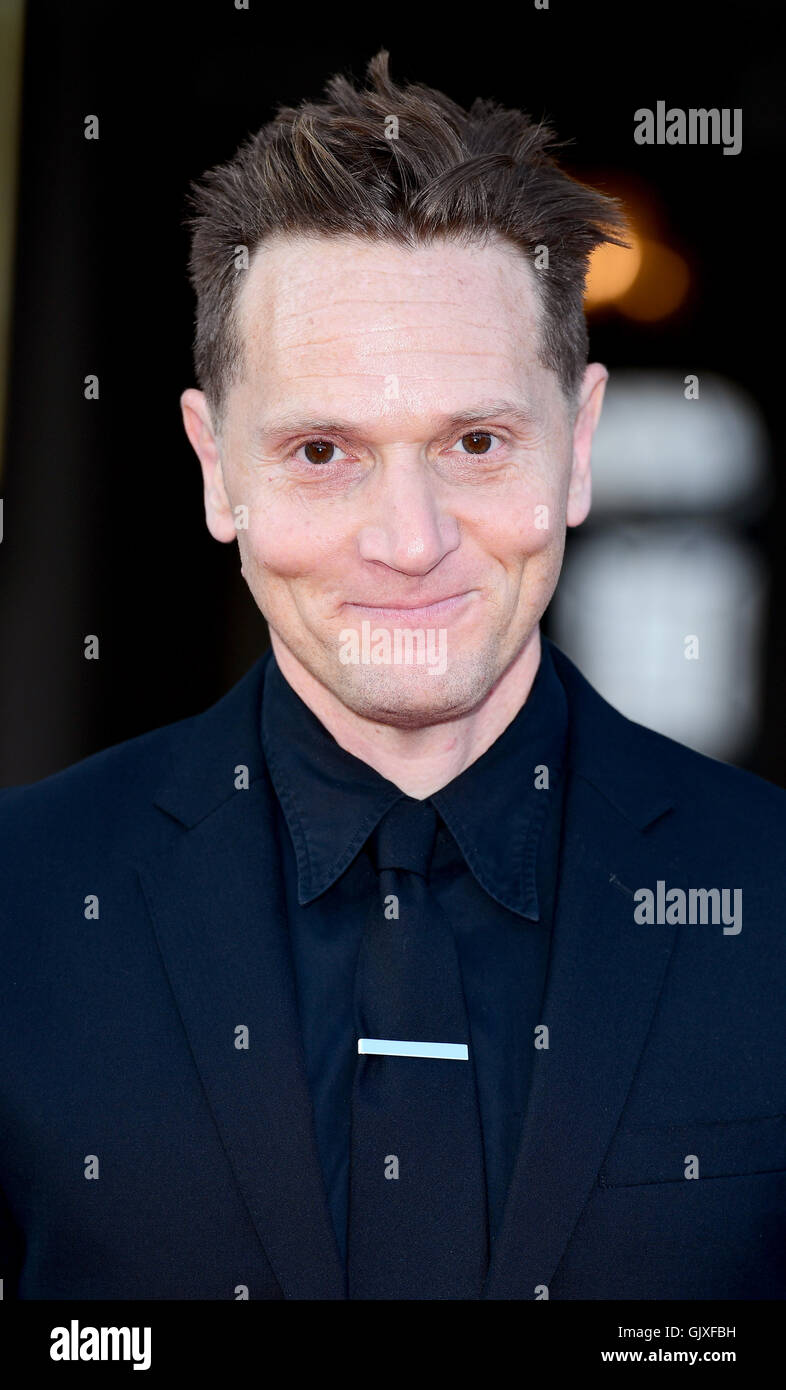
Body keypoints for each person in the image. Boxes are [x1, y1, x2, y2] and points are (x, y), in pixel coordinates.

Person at [1, 50, 784, 1301]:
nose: (409, 541)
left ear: (578, 447)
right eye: (323, 449)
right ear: (215, 467)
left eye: (476, 441)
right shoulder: (19, 905)